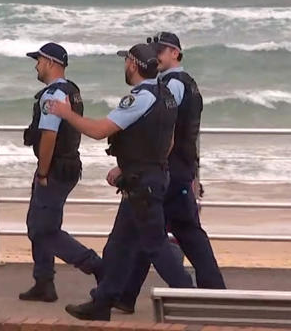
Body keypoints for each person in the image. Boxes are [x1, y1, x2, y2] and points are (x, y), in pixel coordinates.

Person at [48, 42, 193, 321]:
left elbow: (100, 130)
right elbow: (169, 140)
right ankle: (103, 302)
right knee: (117, 246)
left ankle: (190, 297)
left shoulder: (139, 98)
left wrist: (67, 114)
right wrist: (132, 166)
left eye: (126, 61)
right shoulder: (166, 95)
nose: (124, 66)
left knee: (156, 246)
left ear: (134, 65)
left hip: (142, 183)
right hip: (145, 178)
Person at [113, 33, 225, 313]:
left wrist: (131, 164)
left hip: (165, 171)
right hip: (179, 170)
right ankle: (214, 292)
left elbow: (164, 129)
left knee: (159, 233)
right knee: (159, 233)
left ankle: (197, 292)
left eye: (160, 51)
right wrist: (194, 173)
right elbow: (190, 135)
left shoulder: (172, 85)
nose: (156, 57)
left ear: (175, 53)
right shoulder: (188, 84)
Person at [18, 43, 103, 303]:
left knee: (45, 230)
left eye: (39, 60)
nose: (36, 65)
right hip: (68, 165)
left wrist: (42, 172)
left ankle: (96, 266)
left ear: (52, 63)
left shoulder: (53, 94)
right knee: (38, 225)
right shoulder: (72, 91)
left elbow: (48, 136)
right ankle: (43, 283)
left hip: (54, 169)